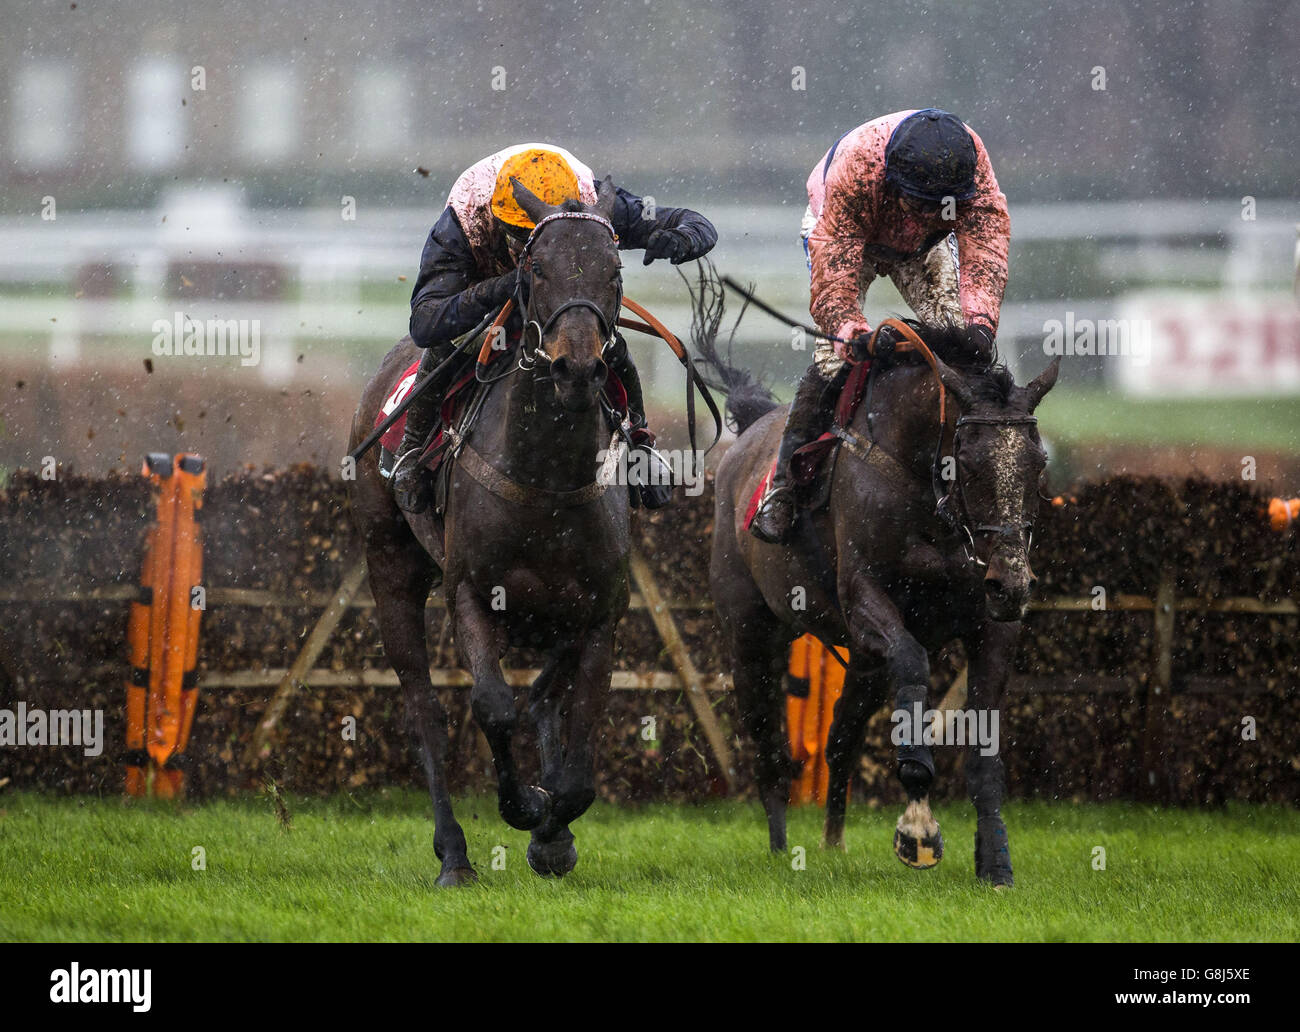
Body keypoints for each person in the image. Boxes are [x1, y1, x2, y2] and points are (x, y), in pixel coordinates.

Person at [393, 143, 717, 513]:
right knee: (455, 342)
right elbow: (425, 322)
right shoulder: (466, 216)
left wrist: (679, 239)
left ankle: (639, 442)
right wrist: (507, 284)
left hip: (562, 295)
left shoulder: (588, 202)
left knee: (603, 343)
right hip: (492, 289)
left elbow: (696, 223)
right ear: (501, 223)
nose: (528, 247)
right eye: (520, 237)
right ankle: (412, 448)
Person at [749, 109, 1011, 544]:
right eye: (921, 204)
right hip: (848, 236)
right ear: (892, 180)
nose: (930, 216)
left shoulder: (972, 162)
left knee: (965, 353)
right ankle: (783, 488)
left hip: (923, 251)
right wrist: (853, 333)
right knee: (831, 360)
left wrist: (980, 324)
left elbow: (985, 241)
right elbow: (835, 276)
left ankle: (989, 476)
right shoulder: (858, 169)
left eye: (940, 207)